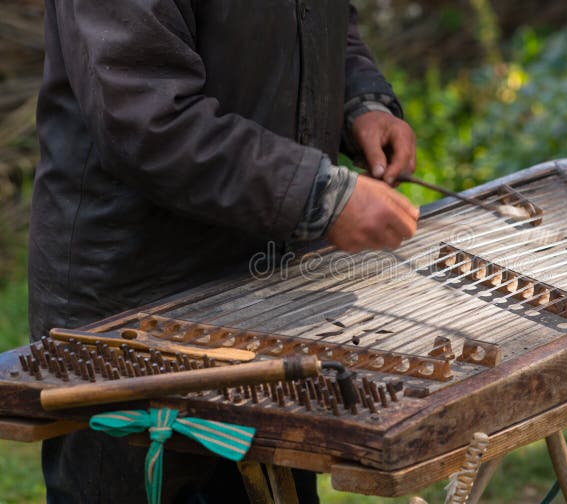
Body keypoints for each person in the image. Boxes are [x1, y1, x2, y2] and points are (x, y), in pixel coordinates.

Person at [29, 1, 418, 502]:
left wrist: (361, 102)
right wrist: (316, 193)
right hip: (133, 299)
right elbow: (145, 119)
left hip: (266, 287)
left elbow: (322, 23)